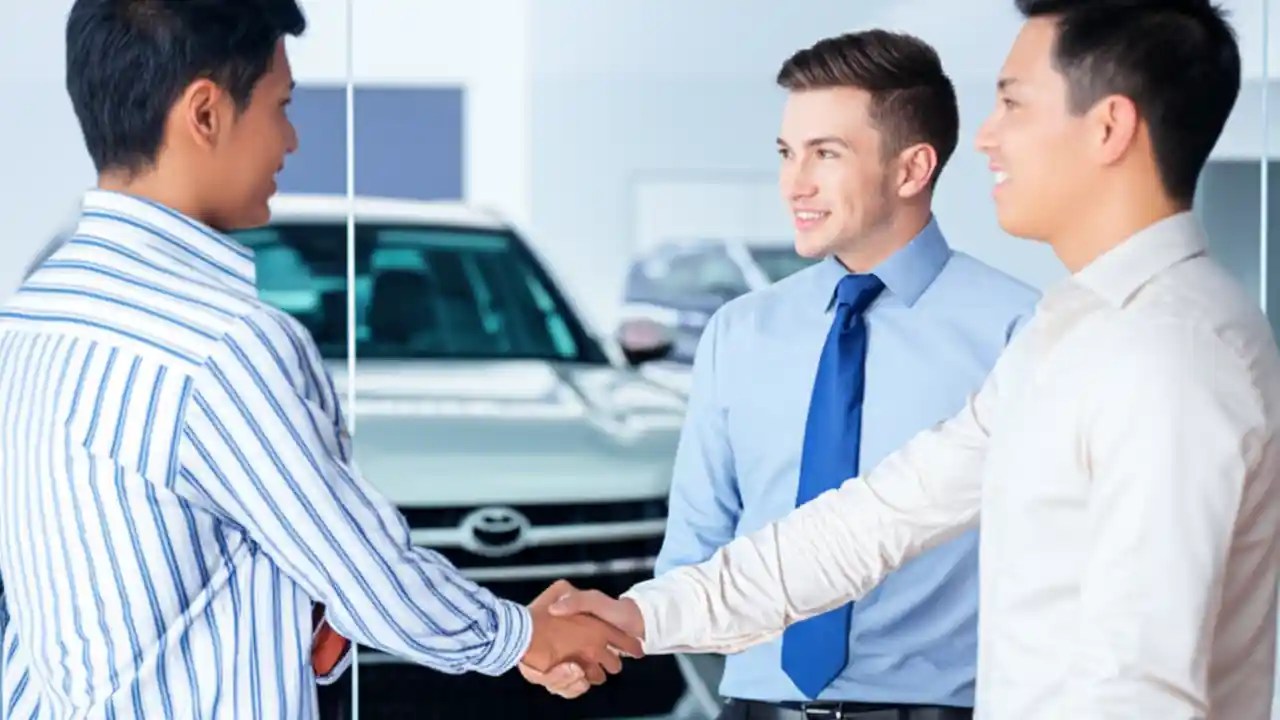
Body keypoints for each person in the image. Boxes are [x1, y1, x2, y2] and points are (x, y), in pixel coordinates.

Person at [539, 1, 1280, 718]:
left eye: (1013, 104)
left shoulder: (1169, 353)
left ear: (1109, 127)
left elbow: (1141, 684)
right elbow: (875, 522)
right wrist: (640, 617)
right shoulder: (1072, 333)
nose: (985, 138)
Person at [0, 1, 638, 717]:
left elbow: (41, 603)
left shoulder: (28, 320)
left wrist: (304, 610)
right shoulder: (225, 345)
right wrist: (521, 637)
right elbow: (372, 579)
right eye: (281, 106)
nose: (292, 139)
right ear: (206, 113)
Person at [530, 30, 1038, 720]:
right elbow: (695, 553)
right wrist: (607, 640)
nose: (794, 183)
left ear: (912, 169)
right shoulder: (739, 332)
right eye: (786, 153)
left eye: (825, 154)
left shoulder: (1020, 333)